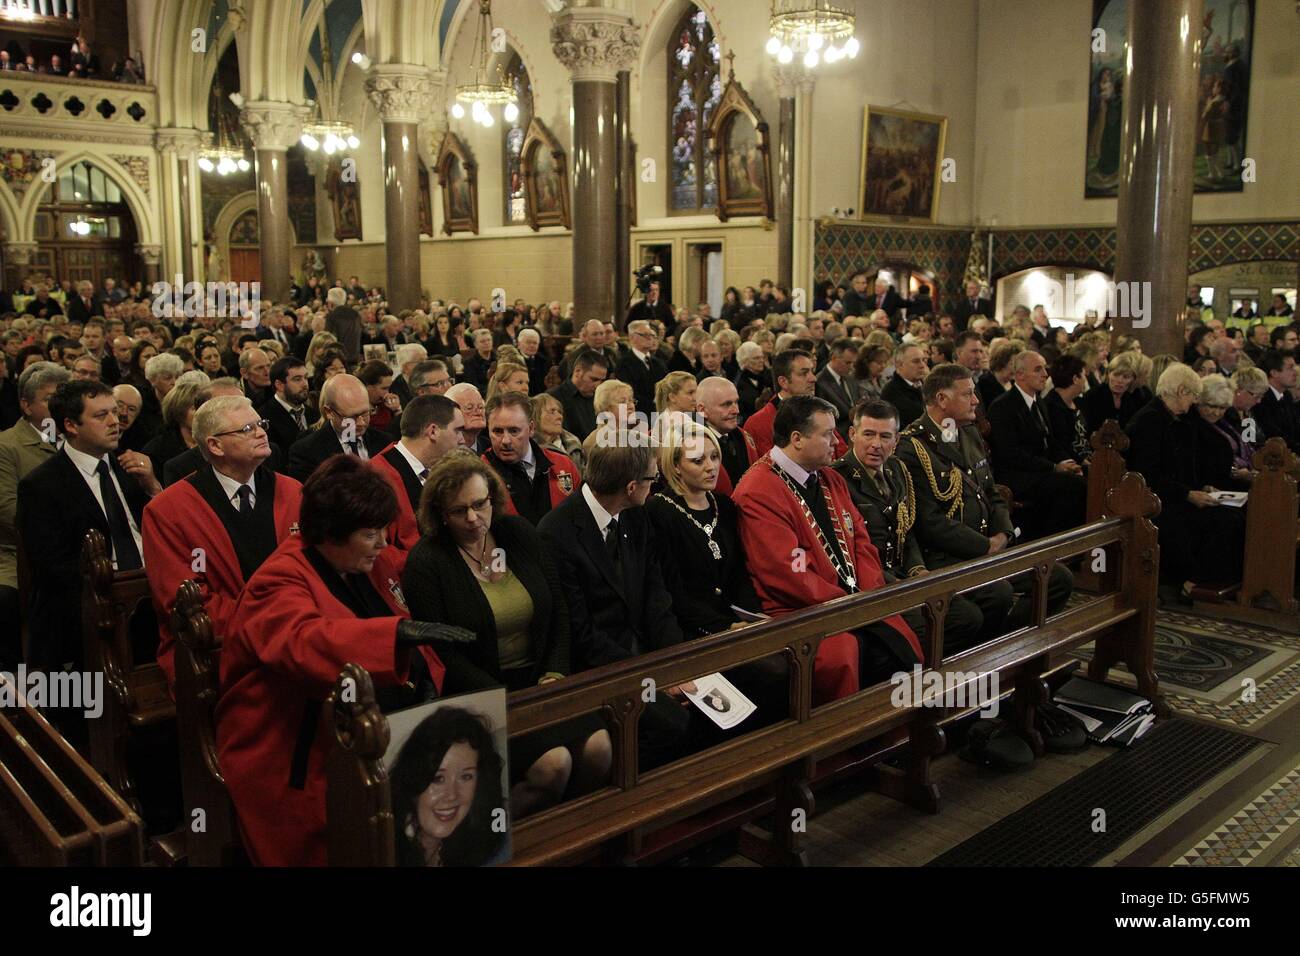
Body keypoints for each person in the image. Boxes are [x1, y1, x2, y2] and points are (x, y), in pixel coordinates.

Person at [217, 456, 466, 866]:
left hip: (366, 730)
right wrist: (395, 637)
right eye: (371, 534)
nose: (384, 543)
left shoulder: (362, 561)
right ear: (330, 534)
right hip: (291, 746)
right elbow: (303, 641)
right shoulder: (278, 579)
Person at [402, 455, 610, 817]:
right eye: (458, 511)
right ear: (440, 513)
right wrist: (507, 698)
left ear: (492, 498)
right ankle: (496, 837)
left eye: (479, 505)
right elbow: (446, 654)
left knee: (601, 749)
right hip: (480, 692)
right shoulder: (427, 561)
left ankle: (575, 835)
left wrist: (555, 671)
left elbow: (558, 608)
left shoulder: (517, 534)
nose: (472, 519)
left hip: (542, 679)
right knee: (554, 765)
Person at [734, 395, 921, 701]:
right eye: (827, 434)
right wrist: (847, 603)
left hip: (852, 599)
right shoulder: (759, 491)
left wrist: (866, 591)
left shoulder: (829, 477)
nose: (837, 440)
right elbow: (786, 571)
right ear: (797, 439)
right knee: (846, 656)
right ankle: (846, 745)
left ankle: (898, 739)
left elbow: (861, 539)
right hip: (799, 611)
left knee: (905, 640)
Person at [538, 434, 695, 770]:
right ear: (630, 486)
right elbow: (580, 632)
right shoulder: (558, 533)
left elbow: (657, 596)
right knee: (675, 724)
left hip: (645, 655)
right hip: (601, 668)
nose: (655, 486)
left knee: (712, 707)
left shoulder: (637, 516)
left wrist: (674, 663)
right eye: (652, 479)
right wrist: (650, 676)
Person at [894, 365, 1073, 630]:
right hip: (952, 555)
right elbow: (929, 522)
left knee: (1057, 578)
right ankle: (988, 654)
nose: (977, 400)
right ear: (942, 399)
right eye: (968, 394)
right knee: (998, 595)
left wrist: (1003, 533)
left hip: (990, 545)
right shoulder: (913, 447)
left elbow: (992, 491)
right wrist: (984, 546)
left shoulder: (969, 431)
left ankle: (1010, 644)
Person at [142, 396, 302, 688]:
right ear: (215, 445)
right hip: (214, 647)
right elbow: (186, 604)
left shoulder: (292, 492)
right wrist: (271, 622)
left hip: (294, 635)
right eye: (247, 429)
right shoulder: (169, 510)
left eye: (261, 424)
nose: (261, 432)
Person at [644, 419, 789, 726]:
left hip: (733, 619)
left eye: (714, 457)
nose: (711, 467)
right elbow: (671, 591)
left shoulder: (724, 505)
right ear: (676, 466)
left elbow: (740, 574)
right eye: (698, 461)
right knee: (771, 672)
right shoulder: (659, 512)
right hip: (690, 628)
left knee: (790, 655)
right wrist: (726, 627)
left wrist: (751, 618)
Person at [17, 381, 161, 683]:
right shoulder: (43, 484)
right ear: (71, 425)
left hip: (149, 593)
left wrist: (153, 488)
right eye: (101, 416)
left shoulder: (130, 468)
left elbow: (165, 531)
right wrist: (115, 586)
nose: (115, 422)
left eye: (115, 412)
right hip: (92, 608)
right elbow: (52, 569)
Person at [832, 398, 996, 651]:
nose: (876, 445)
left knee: (967, 617)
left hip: (904, 575)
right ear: (852, 434)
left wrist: (917, 571)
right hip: (871, 584)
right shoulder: (838, 479)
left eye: (885, 437)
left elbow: (905, 530)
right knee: (924, 627)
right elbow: (849, 553)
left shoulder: (897, 470)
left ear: (896, 440)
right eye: (868, 434)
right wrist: (898, 585)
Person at [1125, 363, 1245, 595]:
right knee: (1224, 521)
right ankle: (1194, 582)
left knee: (1233, 515)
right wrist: (1187, 494)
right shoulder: (1150, 421)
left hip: (1174, 493)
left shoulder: (1175, 419)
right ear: (1181, 391)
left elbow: (1181, 467)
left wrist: (1201, 487)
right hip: (1156, 500)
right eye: (1193, 395)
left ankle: (1215, 579)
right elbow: (1147, 474)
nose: (1194, 402)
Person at [0, 363, 70, 666]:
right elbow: (7, 509)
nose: (56, 406)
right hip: (16, 554)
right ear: (26, 405)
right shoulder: (7, 445)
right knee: (8, 600)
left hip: (72, 548)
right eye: (48, 399)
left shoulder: (72, 437)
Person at [389, 707, 510, 866]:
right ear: (413, 779)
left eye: (466, 777)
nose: (452, 795)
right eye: (438, 778)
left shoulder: (494, 838)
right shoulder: (380, 845)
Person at [986, 351, 1087, 538]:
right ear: (1020, 375)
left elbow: (1051, 441)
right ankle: (1053, 544)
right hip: (1016, 474)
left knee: (1084, 476)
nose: (1045, 375)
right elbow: (1010, 453)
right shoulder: (1003, 406)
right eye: (1038, 369)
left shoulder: (1039, 402)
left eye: (1045, 369)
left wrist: (1069, 461)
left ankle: (1067, 542)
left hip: (1039, 470)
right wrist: (1054, 467)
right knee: (1073, 485)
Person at [369, 395, 468, 554]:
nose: (462, 440)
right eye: (458, 430)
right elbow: (376, 551)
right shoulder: (375, 477)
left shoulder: (439, 470)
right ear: (433, 431)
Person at [482, 391, 579, 526]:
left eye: (514, 431)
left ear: (531, 428)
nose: (505, 440)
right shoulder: (479, 473)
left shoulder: (563, 465)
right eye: (497, 431)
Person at [744, 349, 846, 460]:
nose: (813, 378)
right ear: (783, 382)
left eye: (812, 371)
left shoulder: (820, 413)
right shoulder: (758, 424)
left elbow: (841, 454)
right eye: (804, 373)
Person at [287, 374, 390, 481]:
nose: (361, 423)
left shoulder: (386, 443)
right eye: (352, 417)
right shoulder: (305, 453)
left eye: (365, 413)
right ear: (329, 412)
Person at [695, 376, 755, 496]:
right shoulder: (692, 445)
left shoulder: (743, 437)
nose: (736, 410)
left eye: (736, 402)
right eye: (726, 404)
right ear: (702, 410)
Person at [140, 379, 207, 483]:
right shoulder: (156, 450)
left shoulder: (215, 441)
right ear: (178, 412)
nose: (202, 412)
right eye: (195, 408)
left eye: (204, 407)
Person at [1080, 349, 1146, 435]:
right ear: (1108, 374)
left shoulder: (1133, 398)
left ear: (1133, 379)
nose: (1119, 380)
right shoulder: (1093, 396)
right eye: (1115, 375)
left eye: (1126, 377)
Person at [547, 349, 608, 441]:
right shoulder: (553, 398)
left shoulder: (600, 397)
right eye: (594, 379)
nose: (598, 385)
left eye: (601, 380)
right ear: (578, 372)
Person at [259, 356, 317, 452]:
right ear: (279, 385)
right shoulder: (264, 417)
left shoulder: (313, 413)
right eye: (297, 379)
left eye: (305, 377)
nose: (305, 384)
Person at [1042, 354, 1091, 467]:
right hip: (1071, 465)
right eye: (1083, 376)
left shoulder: (1078, 401)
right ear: (1075, 379)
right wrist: (1084, 463)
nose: (1085, 380)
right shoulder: (1052, 407)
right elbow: (1060, 445)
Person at [615, 320, 668, 414]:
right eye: (644, 335)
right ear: (631, 338)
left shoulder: (658, 363)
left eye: (651, 335)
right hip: (638, 415)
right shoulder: (624, 364)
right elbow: (630, 394)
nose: (649, 338)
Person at [1251, 349, 1300, 452]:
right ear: (1274, 373)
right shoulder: (1261, 400)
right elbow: (1274, 437)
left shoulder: (1286, 395)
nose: (1296, 371)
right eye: (1290, 367)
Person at [531, 393, 584, 473]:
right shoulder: (529, 450)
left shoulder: (574, 446)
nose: (560, 417)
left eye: (559, 412)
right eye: (552, 412)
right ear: (535, 417)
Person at [881, 343, 929, 428]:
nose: (922, 365)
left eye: (924, 360)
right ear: (899, 365)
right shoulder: (891, 392)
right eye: (916, 361)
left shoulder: (928, 386)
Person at [733, 341, 772, 424]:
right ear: (745, 361)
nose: (761, 360)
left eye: (762, 357)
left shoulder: (768, 376)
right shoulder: (738, 383)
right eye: (756, 358)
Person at [446, 382, 489, 455]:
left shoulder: (490, 448)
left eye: (481, 407)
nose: (478, 411)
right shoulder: (441, 451)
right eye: (469, 408)